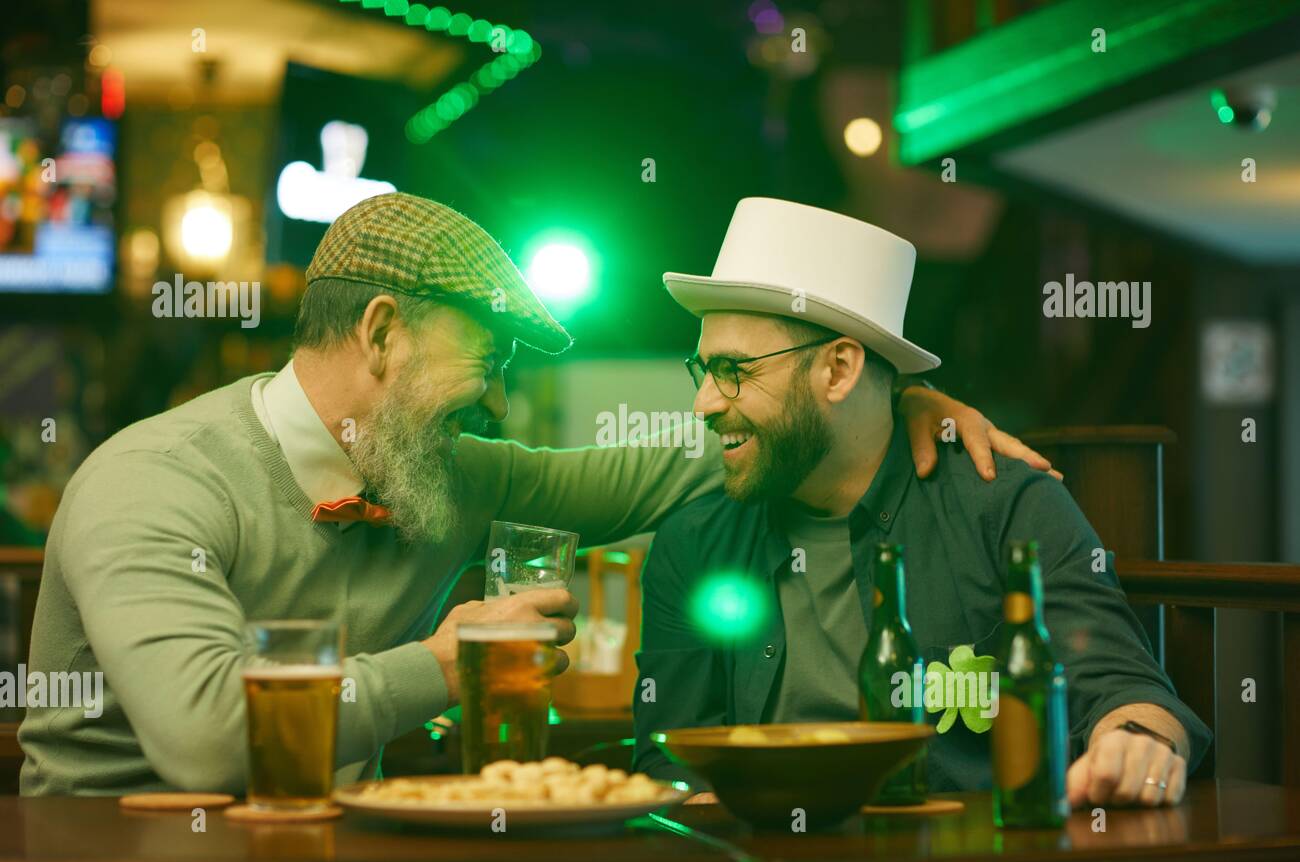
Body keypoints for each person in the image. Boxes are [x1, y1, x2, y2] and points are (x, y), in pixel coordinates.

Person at [20, 192, 1048, 795]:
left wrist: (878, 393)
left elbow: (698, 454)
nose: (503, 402)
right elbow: (203, 738)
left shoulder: (442, 468)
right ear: (381, 332)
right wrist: (444, 662)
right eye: (490, 360)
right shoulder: (153, 482)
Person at [633, 197, 1210, 808]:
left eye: (735, 370)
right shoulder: (691, 544)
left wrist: (1138, 742)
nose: (704, 404)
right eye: (704, 369)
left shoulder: (1008, 505)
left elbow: (1123, 689)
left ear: (838, 369)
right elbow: (668, 761)